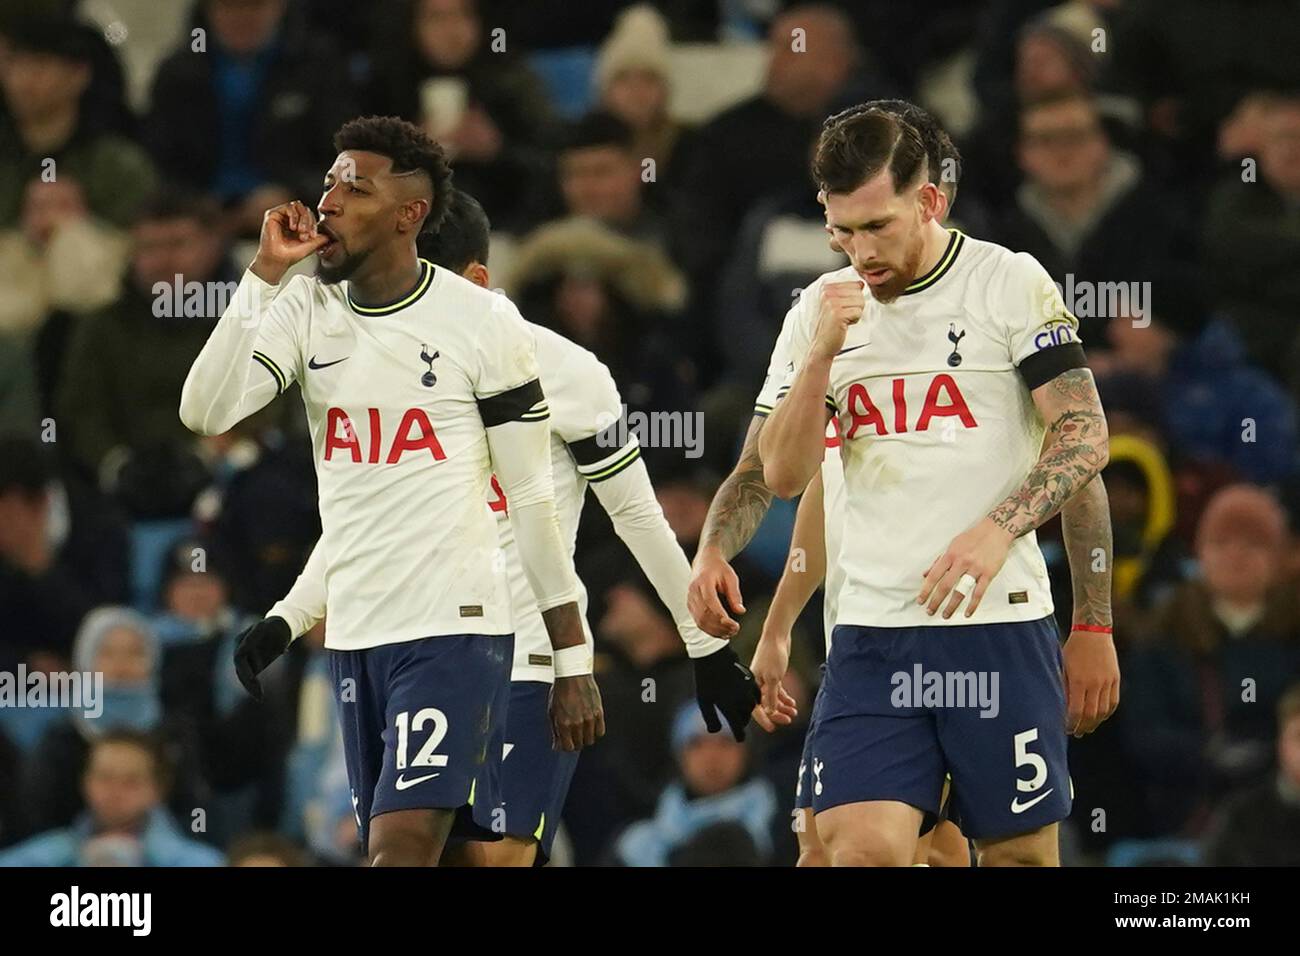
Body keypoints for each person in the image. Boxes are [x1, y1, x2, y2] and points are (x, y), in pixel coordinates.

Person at [253, 189, 788, 865]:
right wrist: (292, 614)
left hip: (528, 658)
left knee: (498, 857)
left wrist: (702, 646)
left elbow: (635, 513)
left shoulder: (564, 371)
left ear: (477, 282)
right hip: (411, 652)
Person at [178, 116, 603, 867]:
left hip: (456, 627)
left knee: (400, 850)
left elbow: (532, 499)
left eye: (355, 186)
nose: (329, 200)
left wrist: (572, 660)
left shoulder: (479, 321)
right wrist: (263, 276)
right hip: (355, 636)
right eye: (330, 182)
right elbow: (204, 411)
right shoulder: (308, 308)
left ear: (409, 214)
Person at [752, 103, 1120, 866]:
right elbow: (784, 476)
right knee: (853, 850)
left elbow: (1083, 436)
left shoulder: (1008, 283)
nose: (860, 253)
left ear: (930, 201)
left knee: (1016, 854)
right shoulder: (819, 310)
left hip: (1000, 626)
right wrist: (822, 354)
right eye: (841, 231)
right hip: (873, 633)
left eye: (878, 227)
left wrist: (1073, 604)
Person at [0, 730, 223, 867]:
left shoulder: (201, 862)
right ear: (85, 782)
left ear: (157, 790)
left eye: (131, 781)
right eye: (105, 778)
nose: (115, 791)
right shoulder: (43, 855)